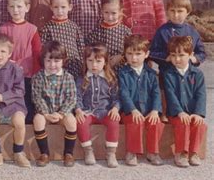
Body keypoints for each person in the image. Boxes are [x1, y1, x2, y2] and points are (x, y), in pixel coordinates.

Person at [0, 33, 30, 168]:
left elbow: (20, 91)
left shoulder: (16, 69)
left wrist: (4, 96)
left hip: (15, 106)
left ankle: (19, 152)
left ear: (9, 54)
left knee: (19, 121)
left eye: (3, 51)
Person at [118, 35, 164, 166]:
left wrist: (155, 110)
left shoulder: (151, 74)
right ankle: (132, 152)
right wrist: (133, 110)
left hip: (149, 110)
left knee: (156, 123)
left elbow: (156, 93)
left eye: (138, 54)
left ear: (146, 54)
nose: (134, 58)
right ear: (125, 54)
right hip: (130, 112)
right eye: (130, 54)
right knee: (135, 121)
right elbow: (124, 93)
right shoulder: (123, 73)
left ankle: (153, 152)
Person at [32, 41, 77, 167]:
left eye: (57, 61)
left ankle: (68, 153)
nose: (52, 65)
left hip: (62, 112)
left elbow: (71, 98)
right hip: (45, 112)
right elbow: (37, 97)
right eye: (48, 61)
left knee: (72, 122)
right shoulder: (38, 77)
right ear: (43, 61)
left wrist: (61, 113)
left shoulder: (68, 77)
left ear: (63, 61)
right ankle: (44, 153)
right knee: (38, 120)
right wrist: (46, 114)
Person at [164, 36, 207, 168]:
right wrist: (180, 112)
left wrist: (198, 113)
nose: (177, 59)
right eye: (173, 55)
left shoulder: (197, 74)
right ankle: (181, 153)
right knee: (183, 122)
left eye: (181, 55)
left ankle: (193, 152)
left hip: (193, 112)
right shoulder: (168, 74)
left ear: (190, 55)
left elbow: (201, 95)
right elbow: (170, 96)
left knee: (199, 124)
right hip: (175, 113)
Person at [0, 0, 41, 124]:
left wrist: (35, 73)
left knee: (27, 104)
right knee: (10, 102)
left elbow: (37, 53)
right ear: (7, 8)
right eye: (12, 6)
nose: (15, 10)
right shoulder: (4, 28)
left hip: (27, 75)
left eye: (19, 6)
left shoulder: (32, 29)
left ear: (27, 8)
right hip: (9, 75)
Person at [75, 43, 120, 168]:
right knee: (81, 122)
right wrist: (78, 110)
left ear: (105, 62)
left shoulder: (110, 79)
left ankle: (111, 153)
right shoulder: (82, 79)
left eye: (98, 61)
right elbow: (77, 96)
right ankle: (88, 151)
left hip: (105, 111)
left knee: (114, 121)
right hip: (87, 111)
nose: (94, 65)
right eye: (90, 61)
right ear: (85, 61)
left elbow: (116, 97)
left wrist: (115, 108)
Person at [150, 0, 206, 72]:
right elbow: (152, 52)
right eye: (172, 11)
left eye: (180, 11)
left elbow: (202, 53)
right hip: (167, 73)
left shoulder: (192, 32)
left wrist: (195, 58)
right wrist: (166, 57)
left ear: (188, 12)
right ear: (167, 11)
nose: (175, 15)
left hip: (188, 74)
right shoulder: (162, 31)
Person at [40, 0, 84, 78]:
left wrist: (82, 64)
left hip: (74, 66)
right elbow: (43, 49)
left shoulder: (74, 26)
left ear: (70, 7)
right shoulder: (47, 28)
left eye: (63, 7)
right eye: (56, 7)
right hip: (55, 66)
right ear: (51, 7)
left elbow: (81, 47)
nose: (60, 11)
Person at [86, 0, 131, 74]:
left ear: (120, 11)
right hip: (101, 71)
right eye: (106, 12)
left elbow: (131, 49)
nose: (110, 17)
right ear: (101, 11)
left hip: (122, 72)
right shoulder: (96, 32)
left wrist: (121, 57)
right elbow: (89, 51)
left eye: (113, 13)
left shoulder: (126, 32)